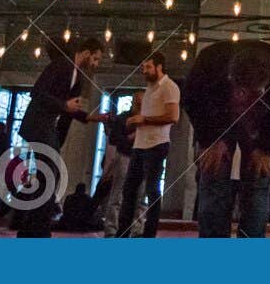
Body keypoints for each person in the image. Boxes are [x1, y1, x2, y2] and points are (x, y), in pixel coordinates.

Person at [181, 39, 270, 237]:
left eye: (255, 96)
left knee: (257, 184)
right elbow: (192, 101)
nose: (247, 103)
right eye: (243, 94)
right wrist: (212, 140)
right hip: (216, 119)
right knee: (214, 176)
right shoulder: (209, 65)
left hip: (261, 125)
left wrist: (266, 147)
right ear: (231, 80)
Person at [14, 37, 107, 237]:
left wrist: (92, 118)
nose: (96, 64)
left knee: (46, 176)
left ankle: (31, 228)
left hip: (47, 127)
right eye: (96, 59)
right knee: (50, 173)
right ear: (86, 53)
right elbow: (37, 92)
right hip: (37, 124)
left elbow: (70, 109)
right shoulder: (61, 65)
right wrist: (64, 106)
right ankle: (38, 228)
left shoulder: (76, 76)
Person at [115, 52, 180, 238]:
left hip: (157, 145)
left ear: (159, 67)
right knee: (129, 191)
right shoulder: (150, 88)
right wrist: (137, 123)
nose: (144, 71)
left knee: (152, 191)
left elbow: (173, 117)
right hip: (140, 145)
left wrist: (143, 119)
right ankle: (122, 233)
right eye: (143, 67)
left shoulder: (169, 87)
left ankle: (149, 234)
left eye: (148, 67)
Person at [91, 98, 134, 230]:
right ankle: (96, 217)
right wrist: (108, 170)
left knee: (111, 194)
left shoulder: (114, 134)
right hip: (113, 163)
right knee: (110, 194)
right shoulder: (115, 137)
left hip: (114, 162)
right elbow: (111, 152)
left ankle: (95, 215)